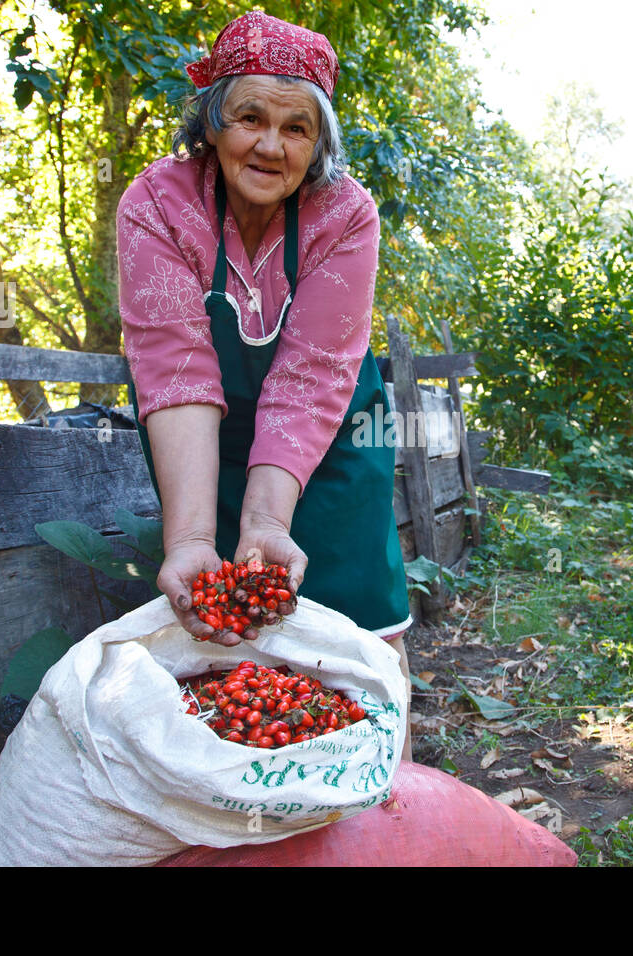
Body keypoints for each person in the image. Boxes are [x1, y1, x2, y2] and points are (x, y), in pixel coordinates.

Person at [117, 11, 414, 726]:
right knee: (237, 631)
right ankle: (269, 796)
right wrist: (190, 540)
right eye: (250, 117)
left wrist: (266, 517)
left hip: (334, 433)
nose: (271, 145)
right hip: (205, 444)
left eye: (297, 128)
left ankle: (388, 789)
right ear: (212, 121)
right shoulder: (157, 204)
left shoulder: (344, 213)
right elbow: (177, 368)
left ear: (318, 146)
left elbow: (311, 374)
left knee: (361, 621)